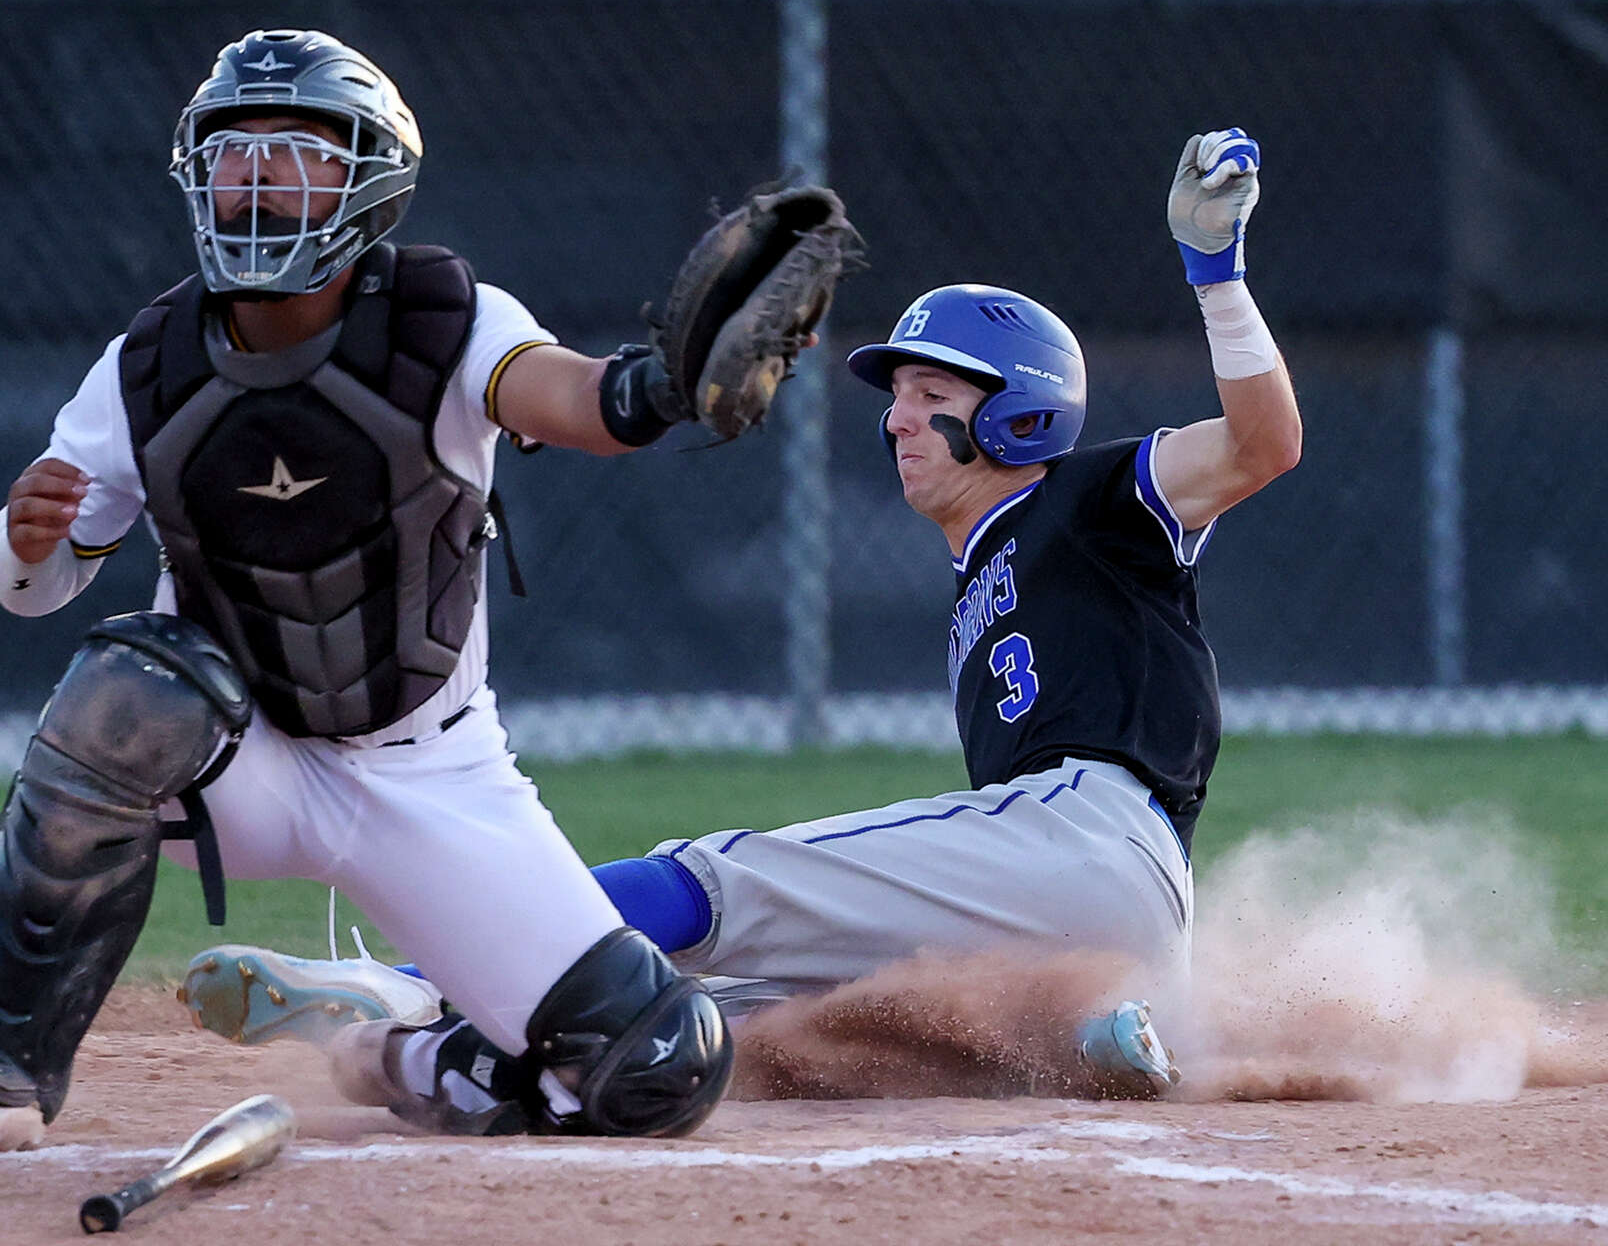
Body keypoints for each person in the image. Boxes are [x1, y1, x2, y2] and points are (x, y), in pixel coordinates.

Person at [180, 127, 1299, 1104]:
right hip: (1094, 924)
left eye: (933, 396)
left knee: (722, 878)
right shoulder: (983, 571)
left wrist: (1216, 272)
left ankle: (417, 974)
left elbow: (1264, 446)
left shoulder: (1093, 497)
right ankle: (1086, 1038)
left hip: (1085, 836)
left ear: (1020, 415)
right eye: (896, 397)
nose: (897, 421)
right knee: (753, 1016)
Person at [0, 27, 783, 1150]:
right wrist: (25, 536)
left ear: (371, 176)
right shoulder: (149, 360)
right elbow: (32, 588)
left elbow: (578, 402)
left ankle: (389, 1036)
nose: (260, 176)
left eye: (299, 151)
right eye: (237, 151)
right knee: (130, 680)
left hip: (433, 773)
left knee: (659, 1070)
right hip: (242, 766)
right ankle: (3, 1062)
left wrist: (664, 387)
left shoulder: (445, 319)